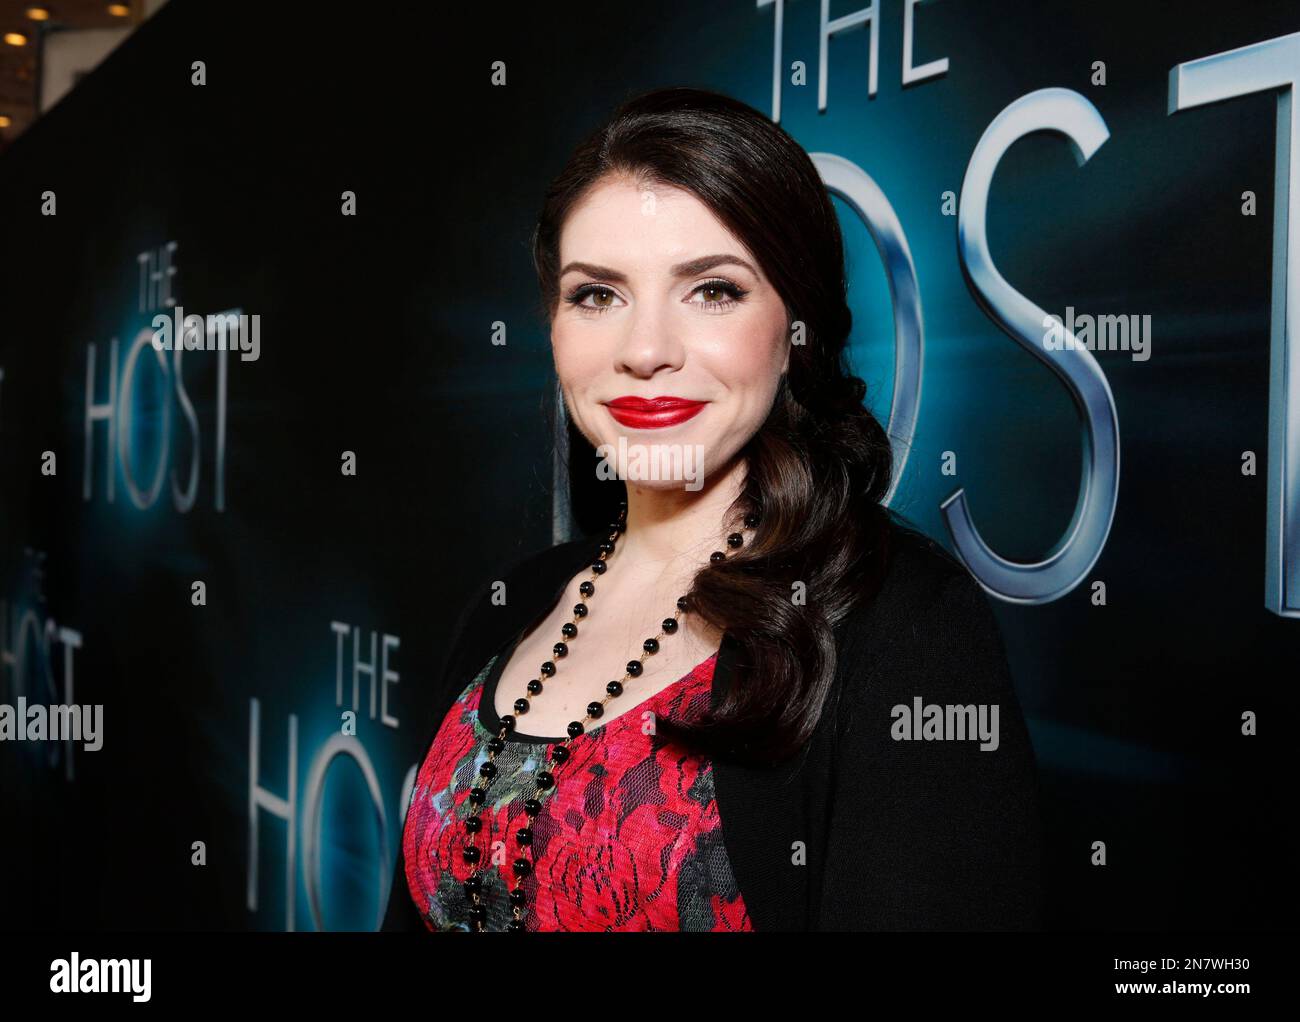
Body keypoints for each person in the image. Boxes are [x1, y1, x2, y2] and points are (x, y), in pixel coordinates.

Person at [382, 86, 1044, 932]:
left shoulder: (904, 627)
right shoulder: (506, 610)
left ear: (796, 327)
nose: (646, 351)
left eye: (713, 291)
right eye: (597, 295)